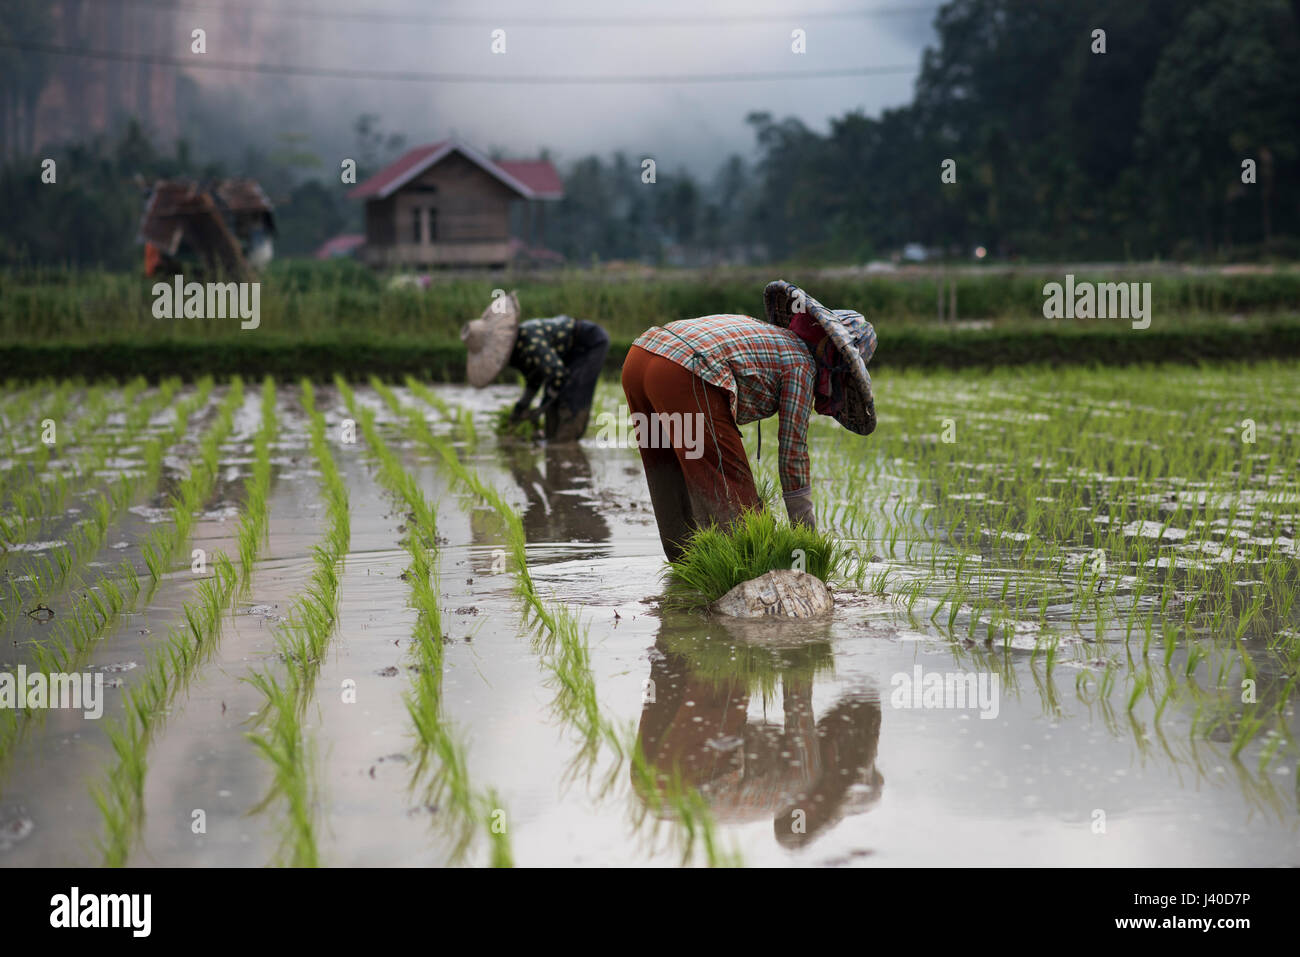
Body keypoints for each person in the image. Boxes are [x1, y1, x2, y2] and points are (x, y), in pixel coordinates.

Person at [621, 280, 876, 561]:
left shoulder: (768, 334)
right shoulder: (802, 364)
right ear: (836, 358)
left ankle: (688, 575)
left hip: (639, 357)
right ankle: (743, 570)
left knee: (668, 473)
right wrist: (806, 535)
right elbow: (792, 453)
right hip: (683, 372)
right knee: (731, 488)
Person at [461, 291, 610, 442]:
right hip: (565, 356)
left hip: (589, 344)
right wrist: (521, 407)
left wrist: (537, 411)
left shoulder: (530, 342)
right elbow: (535, 379)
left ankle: (567, 446)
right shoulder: (517, 354)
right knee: (552, 409)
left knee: (570, 396)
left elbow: (558, 375)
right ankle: (554, 446)